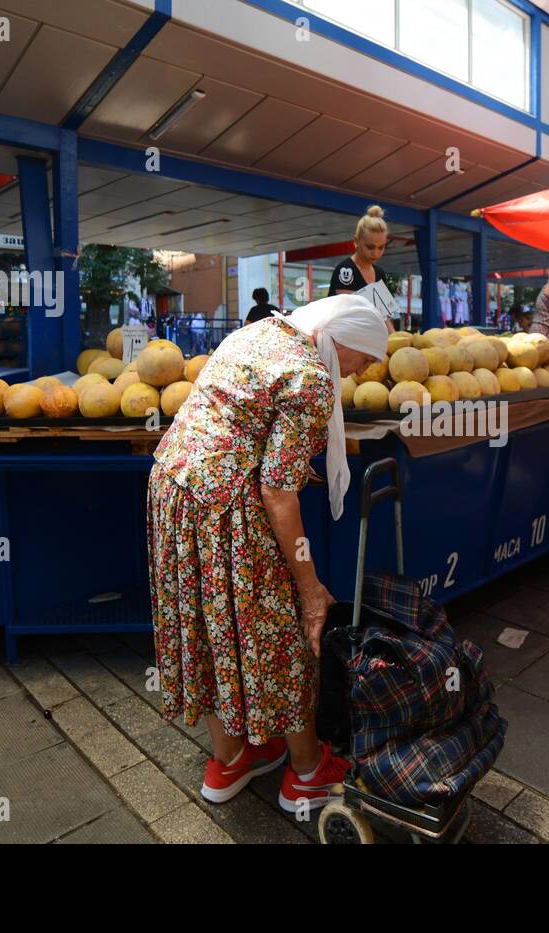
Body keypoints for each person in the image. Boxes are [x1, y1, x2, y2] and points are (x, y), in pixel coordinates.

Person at [147, 293, 389, 811]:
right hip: (225, 507)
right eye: (365, 359)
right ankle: (305, 771)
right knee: (283, 628)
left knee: (209, 623)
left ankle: (230, 757)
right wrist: (309, 588)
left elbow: (246, 424)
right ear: (342, 341)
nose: (359, 372)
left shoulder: (257, 333)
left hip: (173, 491)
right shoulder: (311, 379)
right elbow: (277, 492)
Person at [329, 205, 389, 297]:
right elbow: (346, 309)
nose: (376, 253)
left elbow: (386, 311)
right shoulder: (346, 270)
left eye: (381, 247)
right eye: (370, 247)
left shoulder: (380, 274)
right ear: (356, 241)